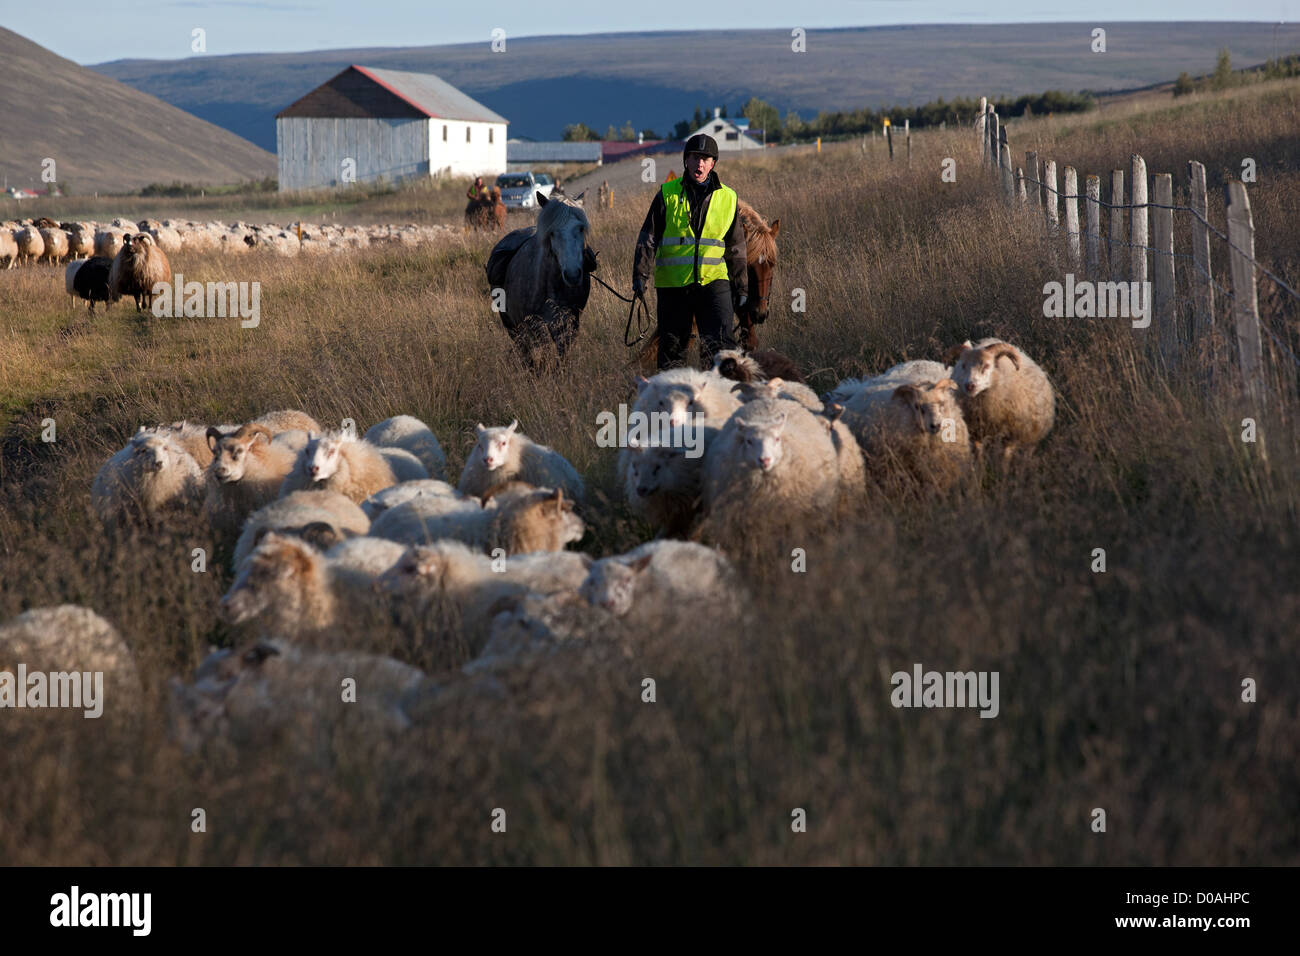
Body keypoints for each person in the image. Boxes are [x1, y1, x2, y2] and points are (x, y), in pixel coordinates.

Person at [632, 133, 747, 369]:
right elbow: (648, 238)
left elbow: (736, 247)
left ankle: (718, 400)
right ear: (687, 161)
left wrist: (741, 285)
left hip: (714, 283)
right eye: (695, 157)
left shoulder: (728, 197)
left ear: (713, 163)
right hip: (674, 286)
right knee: (673, 351)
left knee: (722, 349)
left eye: (705, 158)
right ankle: (673, 403)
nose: (700, 163)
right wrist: (640, 275)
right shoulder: (667, 193)